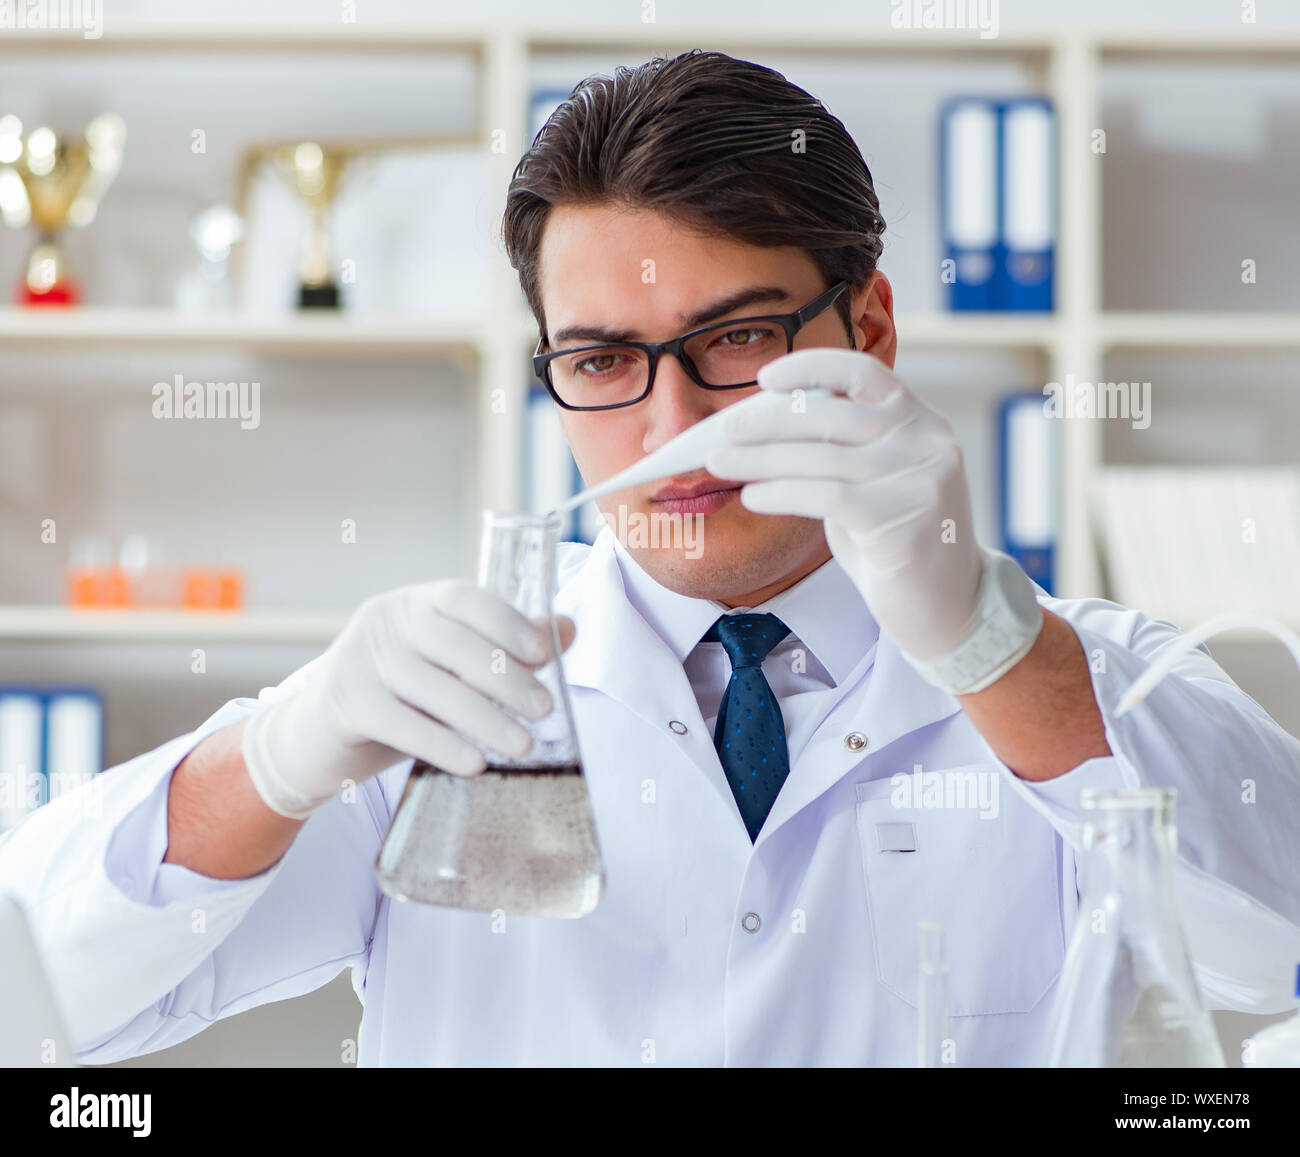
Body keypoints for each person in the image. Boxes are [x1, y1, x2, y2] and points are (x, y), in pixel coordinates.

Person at [2, 50, 1298, 1067]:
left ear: (872, 325)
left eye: (736, 337)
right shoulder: (439, 711)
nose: (672, 426)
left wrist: (986, 643)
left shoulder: (1082, 679)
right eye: (603, 359)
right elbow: (34, 1003)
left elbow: (1270, 944)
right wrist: (278, 752)